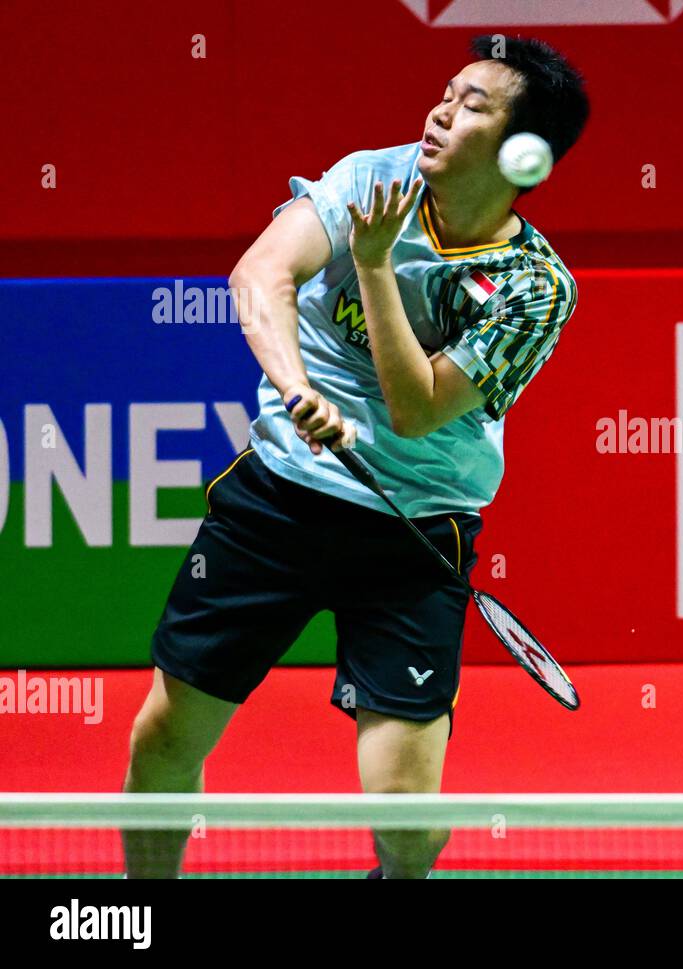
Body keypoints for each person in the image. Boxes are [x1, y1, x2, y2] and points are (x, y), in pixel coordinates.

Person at [122, 35, 590, 878]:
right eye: (445, 92)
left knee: (406, 825)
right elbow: (260, 272)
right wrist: (299, 388)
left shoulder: (536, 287)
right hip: (281, 497)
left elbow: (413, 411)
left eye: (473, 105)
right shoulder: (376, 176)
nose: (440, 112)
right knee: (162, 736)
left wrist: (373, 265)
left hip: (413, 534)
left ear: (526, 154)